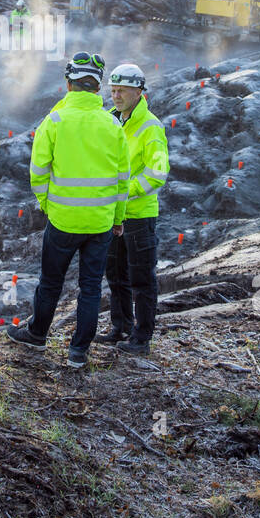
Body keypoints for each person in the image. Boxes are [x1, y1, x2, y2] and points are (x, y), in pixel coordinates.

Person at [7, 51, 129, 370]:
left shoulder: (55, 120)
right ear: (97, 88)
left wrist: (48, 205)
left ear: (69, 85)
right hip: (101, 223)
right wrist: (117, 220)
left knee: (51, 282)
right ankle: (79, 351)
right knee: (90, 286)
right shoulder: (112, 123)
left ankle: (37, 335)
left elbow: (38, 171)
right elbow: (122, 179)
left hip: (62, 221)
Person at [97, 62, 169, 354]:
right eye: (113, 90)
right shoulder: (110, 121)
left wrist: (124, 193)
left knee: (141, 278)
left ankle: (142, 337)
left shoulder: (150, 126)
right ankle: (121, 327)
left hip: (139, 216)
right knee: (115, 275)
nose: (116, 95)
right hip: (114, 215)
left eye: (122, 90)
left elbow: (158, 172)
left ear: (139, 91)